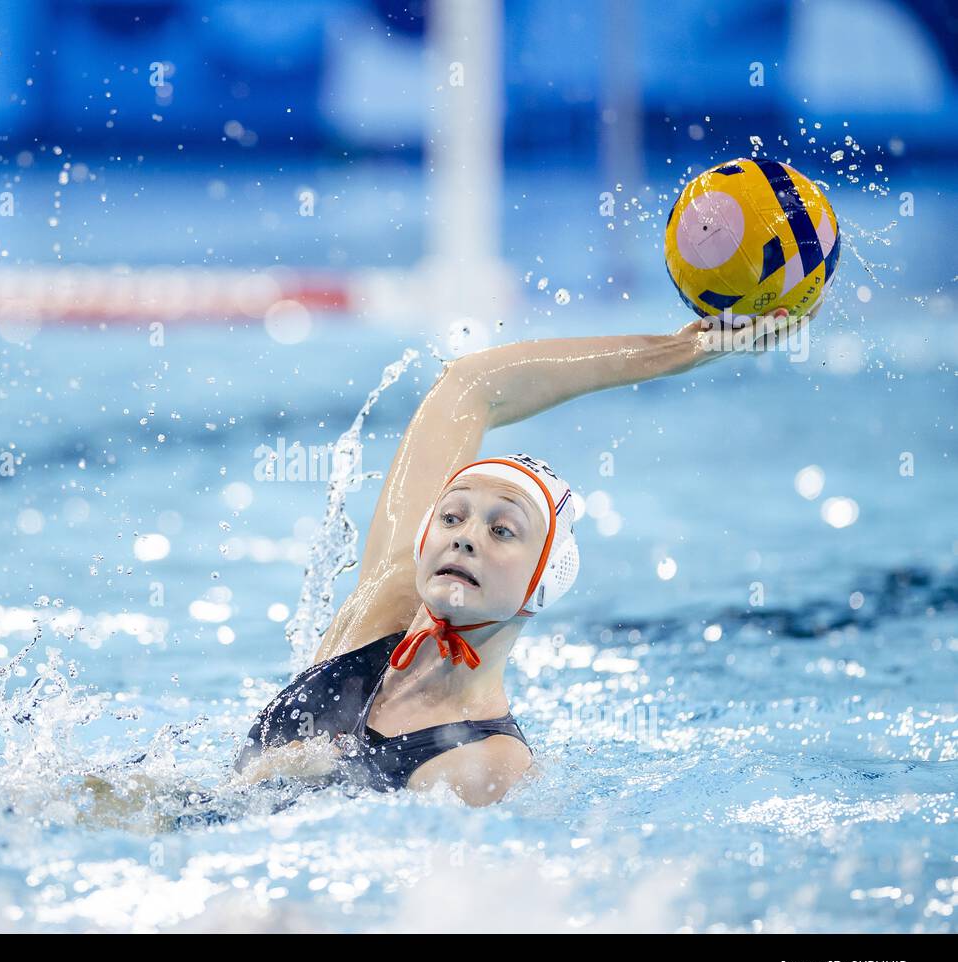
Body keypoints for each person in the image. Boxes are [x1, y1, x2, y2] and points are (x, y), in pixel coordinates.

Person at [235, 305, 819, 806]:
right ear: (423, 538)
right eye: (453, 516)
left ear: (543, 581)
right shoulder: (376, 612)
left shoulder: (492, 764)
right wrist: (680, 349)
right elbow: (470, 386)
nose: (466, 537)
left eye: (504, 530)